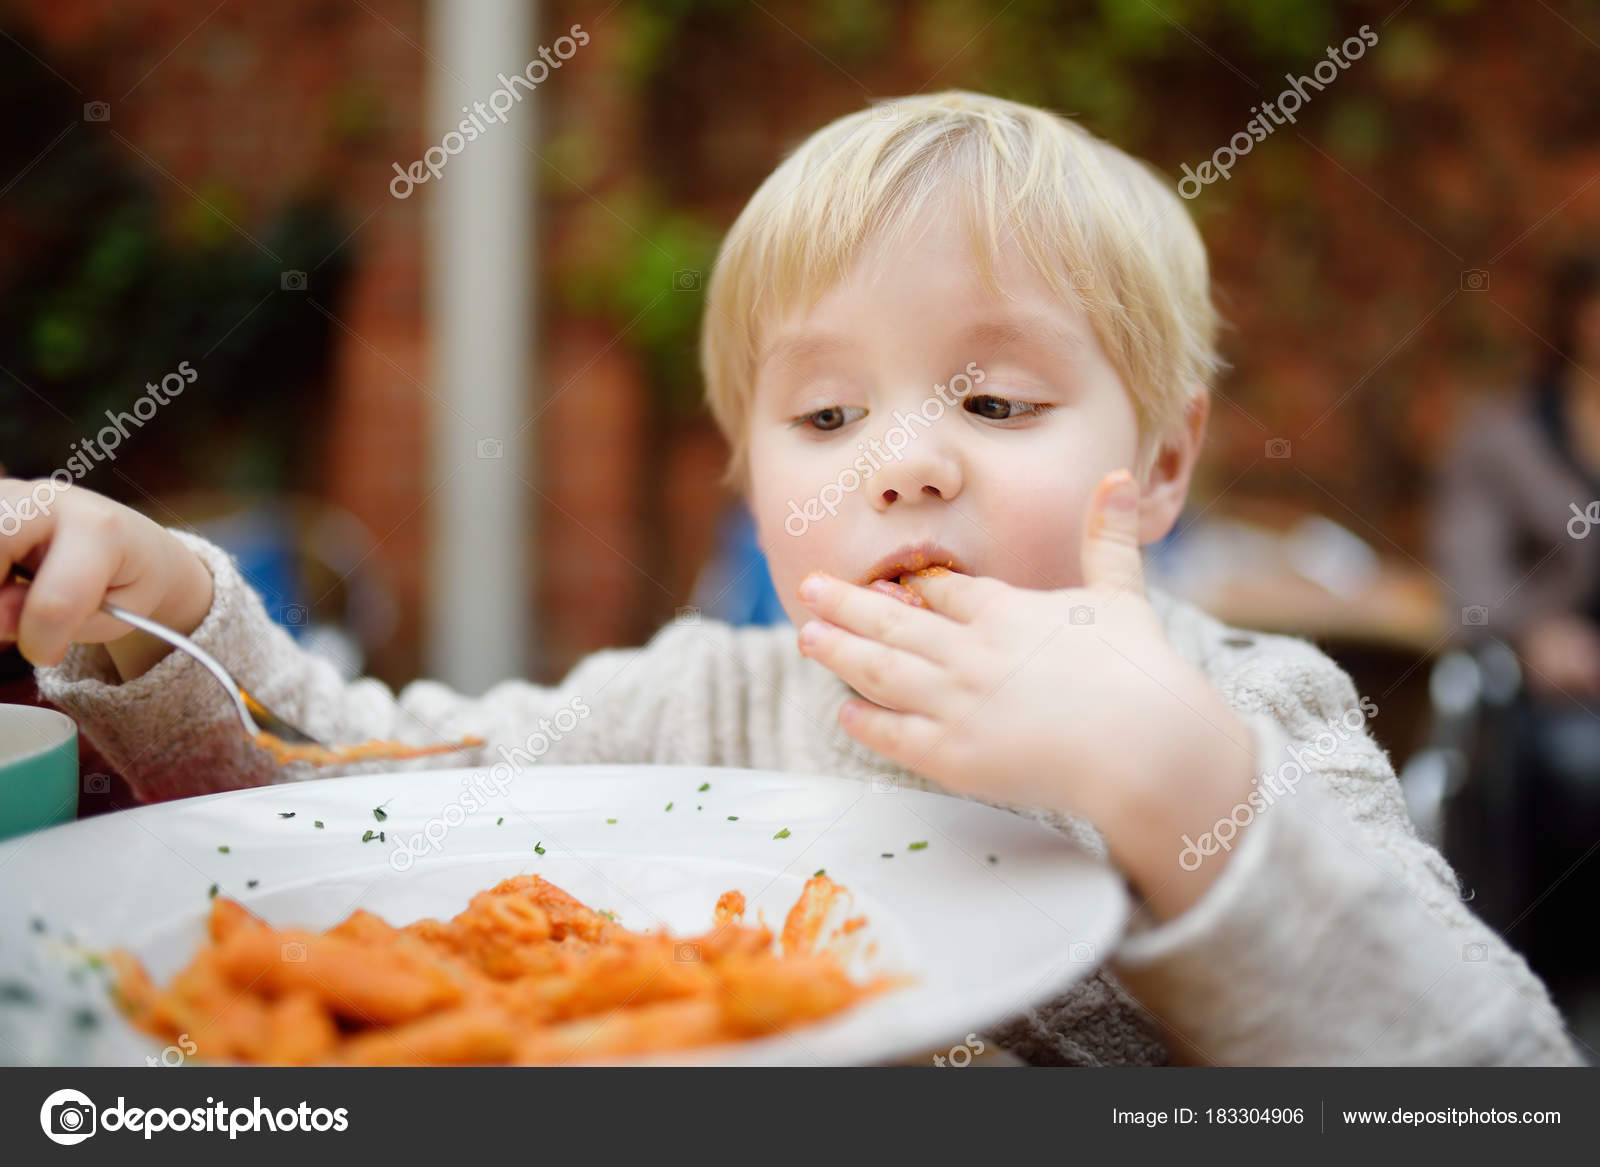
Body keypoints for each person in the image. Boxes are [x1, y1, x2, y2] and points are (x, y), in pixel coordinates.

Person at [1, 92, 1579, 1065]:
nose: (903, 459)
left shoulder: (1253, 714)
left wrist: (1180, 796)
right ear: (753, 482)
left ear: (1161, 462)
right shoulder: (706, 695)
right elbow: (353, 777)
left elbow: (1488, 1074)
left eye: (996, 401)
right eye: (824, 416)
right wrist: (160, 611)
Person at [1432, 254, 1600, 984]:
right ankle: (1552, 990)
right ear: (1575, 315)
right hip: (1560, 695)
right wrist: (1533, 633)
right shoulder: (1506, 435)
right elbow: (1468, 573)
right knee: (1580, 771)